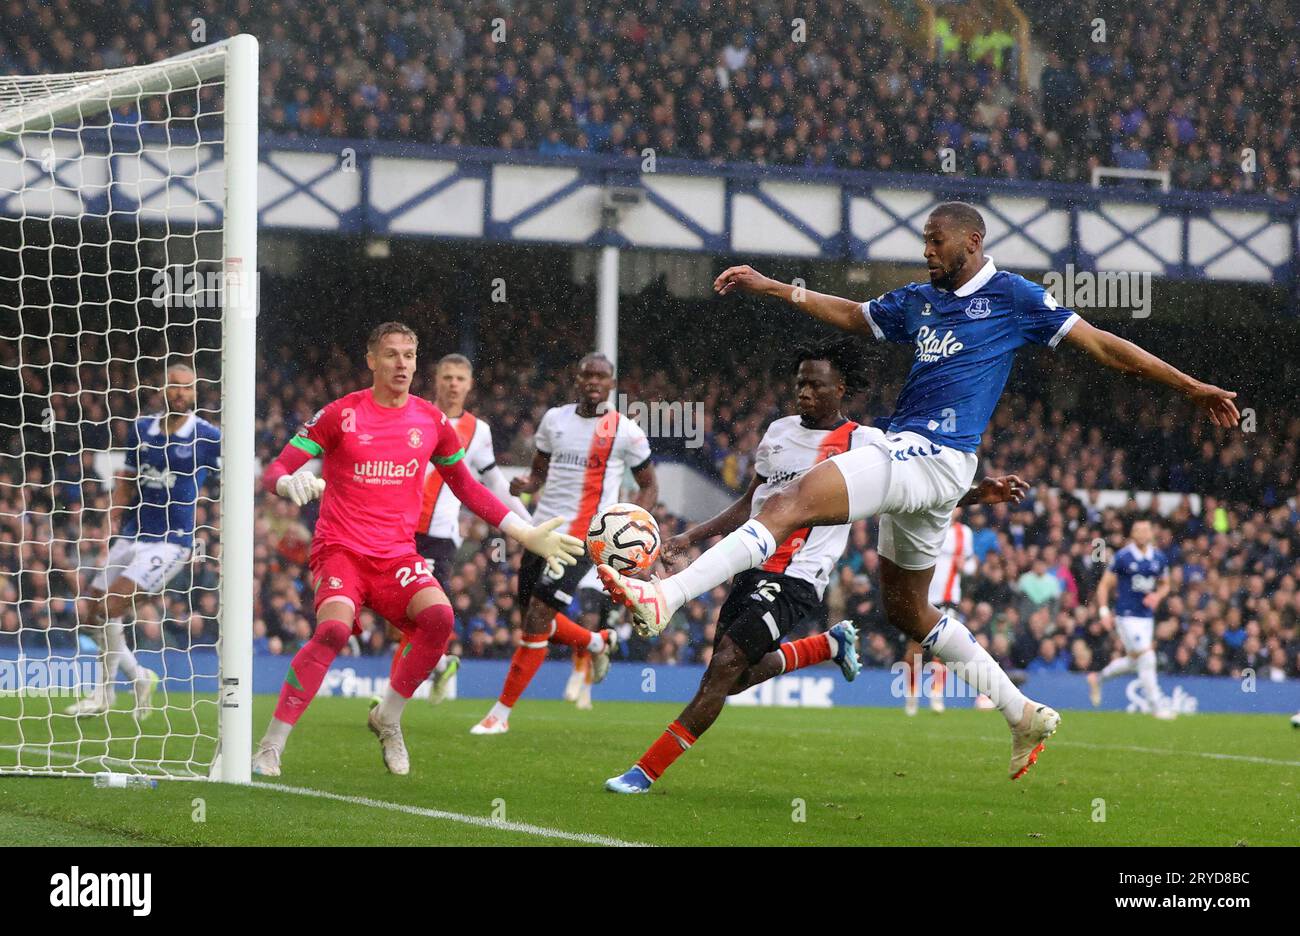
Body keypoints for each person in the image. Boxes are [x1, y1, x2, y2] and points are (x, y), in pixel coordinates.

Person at [598, 201, 1238, 779]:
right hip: (930, 470)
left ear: (973, 241)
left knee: (785, 504)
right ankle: (1020, 714)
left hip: (927, 451)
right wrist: (772, 287)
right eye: (924, 241)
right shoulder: (919, 300)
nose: (926, 250)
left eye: (936, 241)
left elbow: (1104, 346)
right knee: (907, 610)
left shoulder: (1014, 298)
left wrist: (1191, 387)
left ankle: (665, 596)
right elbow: (852, 315)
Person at [605, 337, 1027, 793]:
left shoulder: (865, 443)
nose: (803, 392)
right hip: (751, 566)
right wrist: (691, 536)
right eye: (799, 383)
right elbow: (753, 504)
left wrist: (975, 494)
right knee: (732, 677)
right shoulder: (779, 433)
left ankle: (644, 772)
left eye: (815, 385)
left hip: (798, 577)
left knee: (724, 666)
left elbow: (913, 490)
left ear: (840, 388)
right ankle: (825, 647)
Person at [251, 322, 582, 776]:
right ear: (371, 361)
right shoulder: (341, 414)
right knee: (331, 631)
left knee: (439, 618)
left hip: (395, 556)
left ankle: (388, 717)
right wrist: (289, 483)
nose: (401, 363)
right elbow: (276, 470)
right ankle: (271, 744)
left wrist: (524, 533)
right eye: (391, 354)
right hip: (341, 551)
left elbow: (467, 487)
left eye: (409, 354)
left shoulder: (430, 421)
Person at [470, 353, 658, 735]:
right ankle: (595, 641)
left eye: (601, 377)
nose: (593, 381)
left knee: (537, 620)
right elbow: (538, 474)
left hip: (583, 539)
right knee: (535, 620)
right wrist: (527, 485)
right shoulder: (554, 421)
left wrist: (633, 523)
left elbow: (649, 485)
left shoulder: (626, 431)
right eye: (587, 375)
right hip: (542, 531)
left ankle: (500, 714)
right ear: (577, 380)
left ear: (611, 384)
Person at [65, 361, 218, 720]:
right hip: (133, 533)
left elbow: (235, 476)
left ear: (196, 392)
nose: (181, 393)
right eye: (175, 386)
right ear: (162, 389)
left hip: (172, 541)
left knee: (111, 606)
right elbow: (128, 476)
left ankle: (103, 694)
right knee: (89, 612)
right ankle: (138, 677)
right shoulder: (141, 429)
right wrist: (113, 515)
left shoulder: (208, 436)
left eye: (188, 387)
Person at [390, 353, 530, 704]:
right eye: (447, 377)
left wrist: (529, 526)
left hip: (437, 536)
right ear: (435, 379)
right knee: (396, 614)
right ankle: (438, 665)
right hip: (396, 530)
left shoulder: (478, 431)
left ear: (469, 385)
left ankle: (393, 698)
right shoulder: (413, 413)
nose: (453, 384)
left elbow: (493, 482)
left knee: (416, 610)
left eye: (459, 379)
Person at [1087, 518, 1174, 719]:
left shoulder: (1159, 558)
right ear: (1132, 534)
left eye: (1146, 530)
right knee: (1148, 656)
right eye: (1138, 530)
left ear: (1151, 533)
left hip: (1146, 617)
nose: (1142, 534)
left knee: (1136, 660)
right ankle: (1156, 706)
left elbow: (1166, 584)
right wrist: (1103, 611)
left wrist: (1157, 596)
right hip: (1126, 615)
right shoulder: (1123, 557)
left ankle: (1098, 678)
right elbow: (1104, 585)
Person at [903, 506, 975, 715]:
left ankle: (936, 695)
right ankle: (912, 695)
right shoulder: (927, 527)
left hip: (948, 598)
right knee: (914, 650)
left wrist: (965, 567)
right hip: (923, 597)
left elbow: (971, 565)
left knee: (942, 649)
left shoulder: (964, 533)